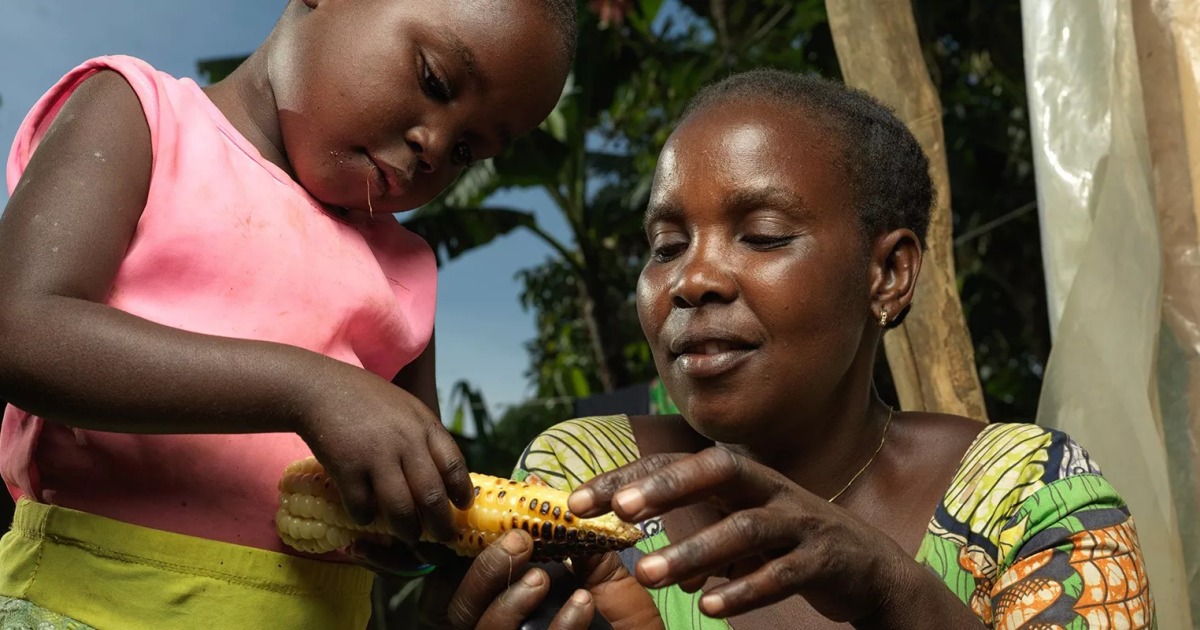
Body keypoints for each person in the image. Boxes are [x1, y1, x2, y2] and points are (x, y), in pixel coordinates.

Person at [437, 69, 1156, 628]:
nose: (693, 280)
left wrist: (887, 590)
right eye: (666, 246)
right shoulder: (586, 480)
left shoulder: (1029, 499)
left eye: (764, 235)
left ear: (887, 274)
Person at [0, 1, 575, 628]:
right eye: (434, 81)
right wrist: (305, 389)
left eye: (469, 149)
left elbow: (410, 497)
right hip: (85, 604)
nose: (433, 147)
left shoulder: (407, 273)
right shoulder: (143, 115)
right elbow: (20, 329)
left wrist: (402, 532)